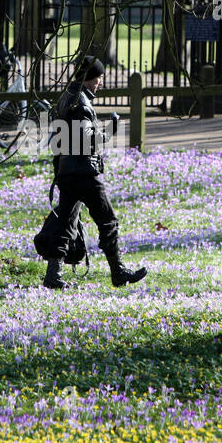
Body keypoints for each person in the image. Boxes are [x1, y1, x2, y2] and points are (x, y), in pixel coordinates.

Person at [43, 56, 147, 290]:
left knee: (66, 224)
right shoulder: (80, 103)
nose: (100, 83)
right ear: (90, 79)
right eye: (99, 78)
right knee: (108, 220)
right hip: (83, 173)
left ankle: (53, 274)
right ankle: (118, 271)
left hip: (67, 172)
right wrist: (110, 130)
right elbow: (87, 141)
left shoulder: (66, 98)